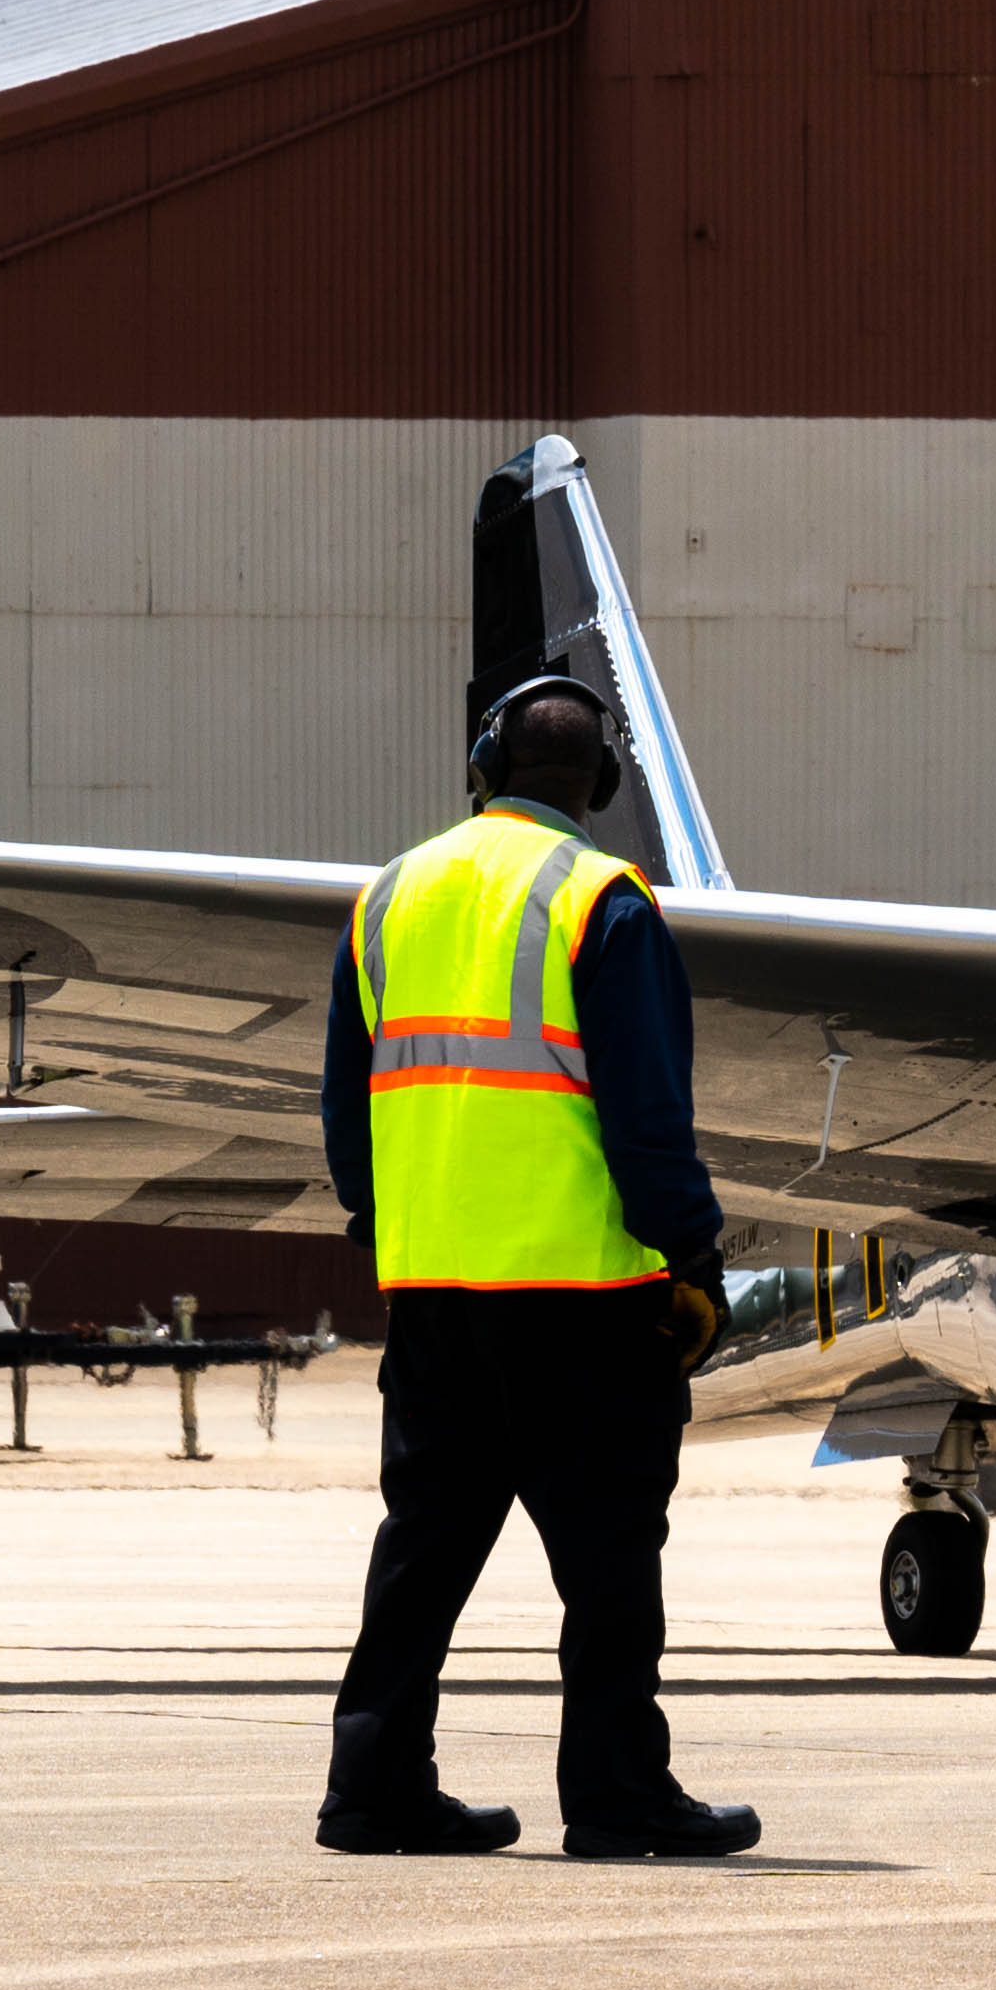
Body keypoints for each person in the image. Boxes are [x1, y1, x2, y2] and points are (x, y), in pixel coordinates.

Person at [314, 675, 760, 1861]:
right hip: (583, 1302)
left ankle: (373, 1786)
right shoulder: (600, 902)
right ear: (599, 786)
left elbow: (347, 1115)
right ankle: (617, 1797)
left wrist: (390, 1231)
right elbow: (647, 1115)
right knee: (609, 1565)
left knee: (421, 1553)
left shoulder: (388, 900)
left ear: (482, 767)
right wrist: (695, 1256)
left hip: (436, 1295)